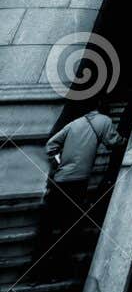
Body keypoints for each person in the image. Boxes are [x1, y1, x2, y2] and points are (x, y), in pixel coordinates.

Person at [33, 103, 119, 280]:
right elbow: (114, 142)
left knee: (48, 225)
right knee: (69, 225)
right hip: (78, 182)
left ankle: (37, 270)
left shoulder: (74, 123)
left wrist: (59, 162)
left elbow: (50, 146)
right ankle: (59, 268)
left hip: (60, 180)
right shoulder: (104, 121)